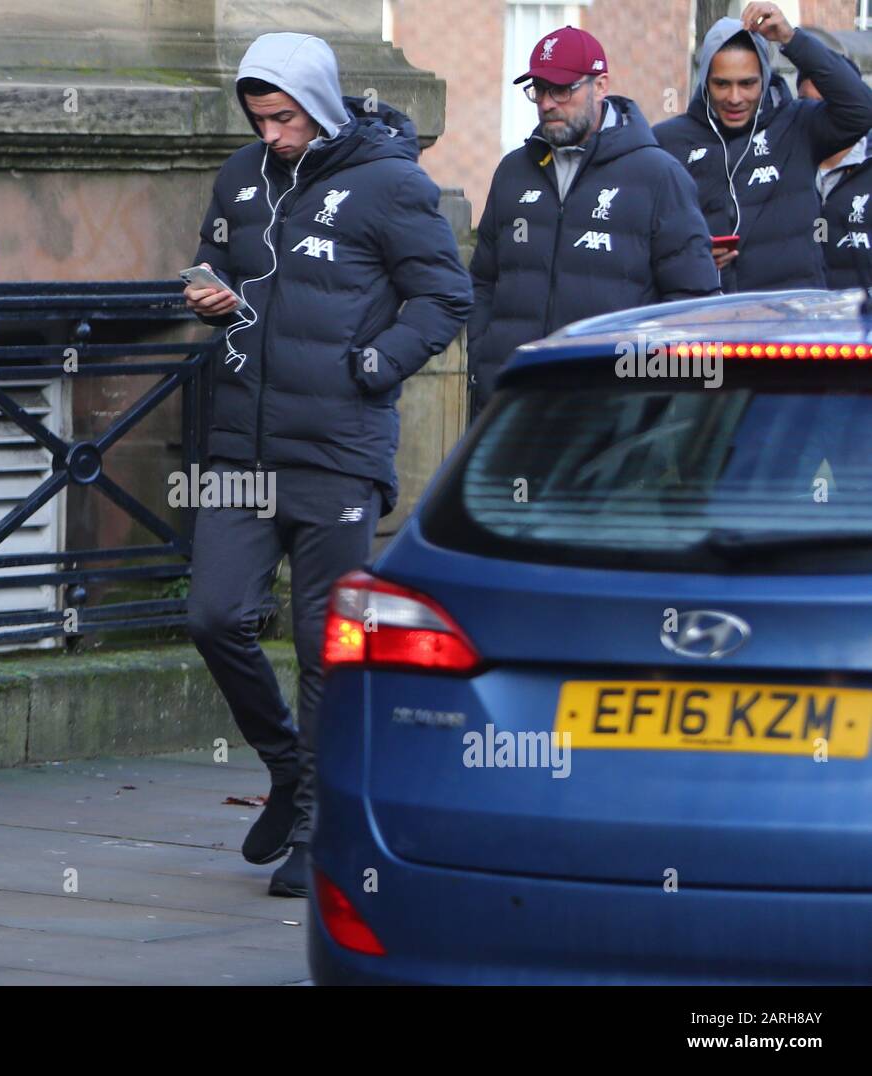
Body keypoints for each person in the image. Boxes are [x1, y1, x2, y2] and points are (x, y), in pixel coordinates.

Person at [183, 32, 471, 897]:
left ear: (318, 101)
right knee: (213, 615)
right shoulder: (241, 175)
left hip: (338, 450)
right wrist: (204, 293)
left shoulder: (390, 182)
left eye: (284, 117)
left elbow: (445, 295)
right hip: (241, 442)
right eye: (258, 119)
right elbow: (215, 261)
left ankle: (318, 824)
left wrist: (376, 365)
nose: (270, 134)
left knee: (323, 646)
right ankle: (288, 768)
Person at [467, 25, 719, 414]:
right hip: (510, 406)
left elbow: (692, 305)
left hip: (609, 416)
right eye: (539, 89)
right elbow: (483, 280)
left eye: (561, 90)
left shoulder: (658, 176)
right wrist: (484, 359)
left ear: (600, 86)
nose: (547, 103)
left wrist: (641, 395)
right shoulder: (513, 172)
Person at [654, 2, 872, 292]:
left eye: (747, 84)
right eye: (722, 84)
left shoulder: (798, 125)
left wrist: (791, 38)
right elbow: (642, 241)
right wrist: (688, 258)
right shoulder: (668, 141)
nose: (735, 98)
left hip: (789, 313)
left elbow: (861, 109)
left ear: (765, 79)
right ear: (705, 82)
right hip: (706, 312)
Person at [798, 55, 872, 289]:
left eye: (827, 103)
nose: (817, 114)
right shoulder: (787, 167)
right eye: (806, 103)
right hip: (801, 307)